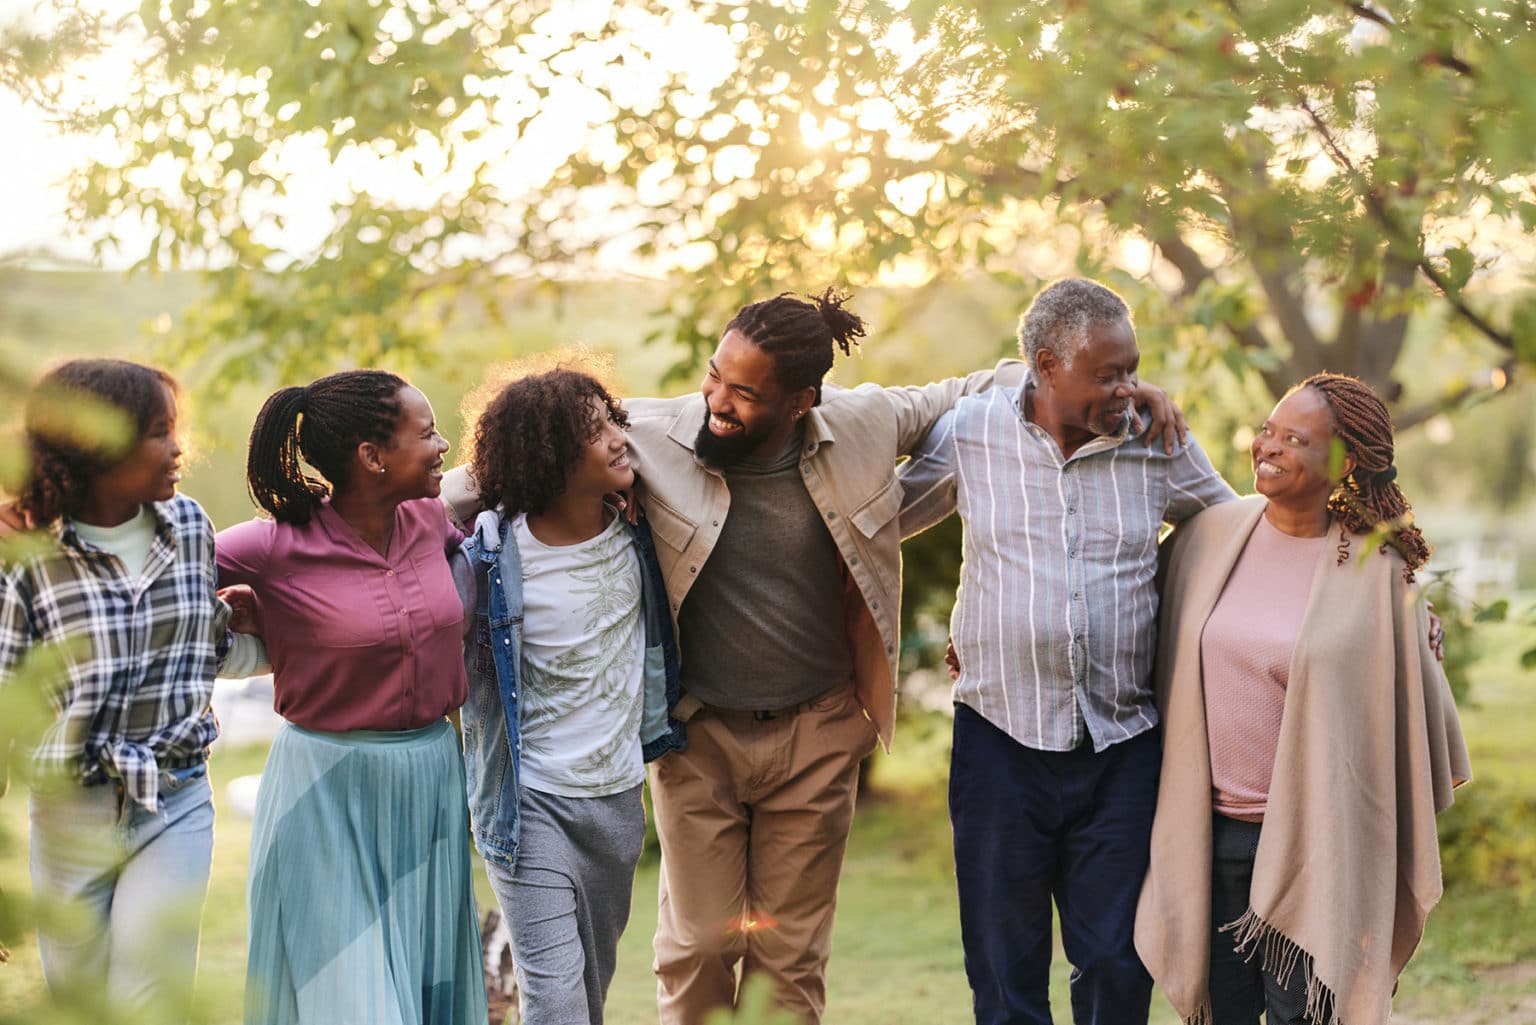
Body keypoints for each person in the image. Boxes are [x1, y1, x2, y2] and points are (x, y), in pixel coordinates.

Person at [899, 277, 1238, 1025]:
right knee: (1003, 971)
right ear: (1046, 366)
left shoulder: (1158, 442)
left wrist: (1385, 595)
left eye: (1132, 369)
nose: (1126, 388)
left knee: (1120, 960)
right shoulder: (974, 432)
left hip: (1122, 746)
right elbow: (874, 524)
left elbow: (1240, 537)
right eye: (1106, 373)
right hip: (999, 743)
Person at [1134, 374, 1471, 1025]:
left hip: (1318, 842)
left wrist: (1417, 628)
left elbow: (1404, 712)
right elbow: (1128, 618)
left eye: (1295, 438)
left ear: (1344, 463)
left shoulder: (1377, 570)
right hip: (1212, 839)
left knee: (1305, 1017)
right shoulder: (1208, 537)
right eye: (1268, 429)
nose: (1270, 445)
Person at [216, 370, 488, 1025]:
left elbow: (521, 465)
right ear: (372, 456)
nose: (443, 444)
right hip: (323, 790)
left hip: (430, 781)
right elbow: (158, 573)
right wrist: (233, 618)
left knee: (421, 994)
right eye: (426, 434)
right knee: (354, 1005)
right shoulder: (270, 544)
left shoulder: (431, 520)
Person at [0, 358, 262, 1017]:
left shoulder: (191, 526)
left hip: (173, 798)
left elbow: (206, 651)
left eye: (175, 429)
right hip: (67, 814)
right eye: (157, 431)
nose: (179, 447)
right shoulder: (27, 553)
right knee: (80, 998)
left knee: (151, 999)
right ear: (99, 445)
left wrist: (277, 633)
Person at [450, 365, 688, 1025]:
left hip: (616, 800)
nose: (618, 438)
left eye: (613, 418)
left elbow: (687, 428)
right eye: (594, 431)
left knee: (587, 993)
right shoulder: (492, 561)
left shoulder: (642, 533)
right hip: (529, 806)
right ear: (549, 454)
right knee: (555, 1000)